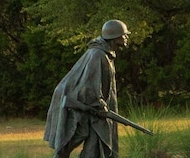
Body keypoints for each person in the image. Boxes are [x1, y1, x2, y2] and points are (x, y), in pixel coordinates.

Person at [46, 20, 152, 158]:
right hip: (82, 102)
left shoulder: (105, 53)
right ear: (115, 37)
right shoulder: (98, 54)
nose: (126, 38)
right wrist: (99, 104)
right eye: (124, 35)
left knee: (91, 137)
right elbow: (90, 83)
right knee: (76, 135)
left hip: (88, 103)